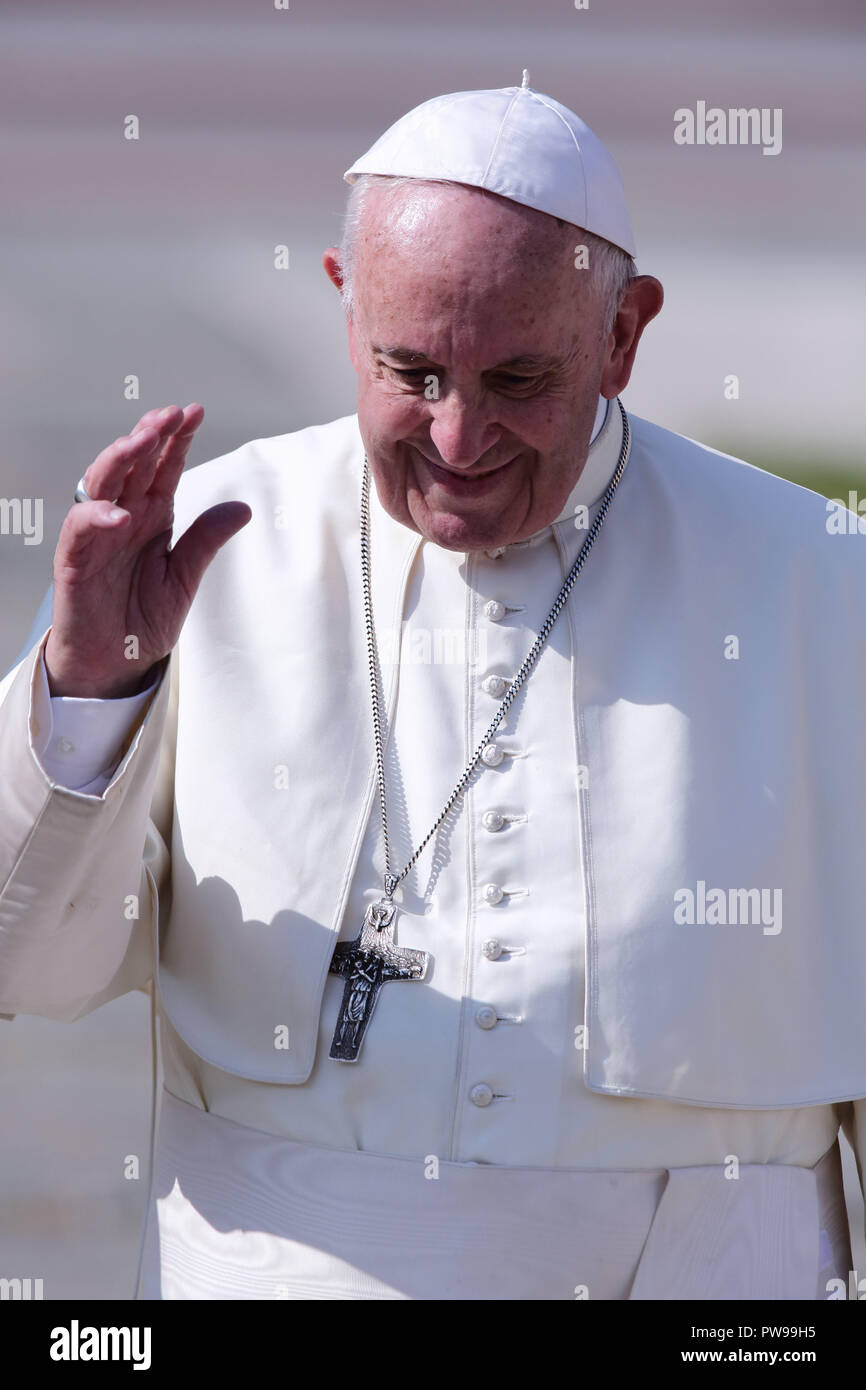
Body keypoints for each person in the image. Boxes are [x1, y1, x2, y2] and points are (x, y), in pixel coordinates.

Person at [1, 75, 864, 1301]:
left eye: (518, 381)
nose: (457, 442)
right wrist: (89, 689)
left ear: (623, 333)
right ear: (344, 309)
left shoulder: (820, 584)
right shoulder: (194, 553)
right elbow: (22, 968)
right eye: (412, 372)